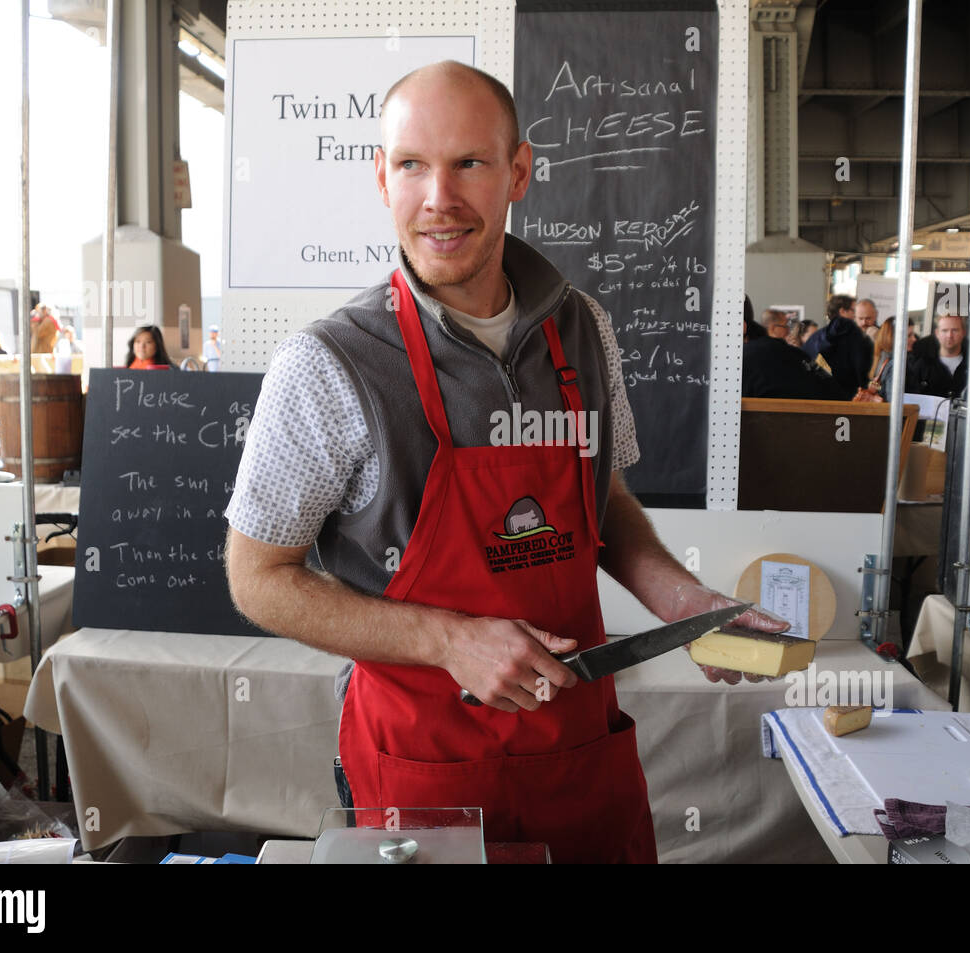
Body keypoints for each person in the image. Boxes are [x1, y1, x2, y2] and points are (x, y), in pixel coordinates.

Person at [222, 61, 788, 864]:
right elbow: (256, 577)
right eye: (413, 164)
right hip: (426, 771)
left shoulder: (583, 327)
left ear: (519, 170)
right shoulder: (326, 364)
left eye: (470, 163)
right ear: (381, 177)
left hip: (578, 754)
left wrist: (683, 599)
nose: (438, 198)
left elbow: (604, 499)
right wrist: (451, 640)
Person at [743, 309, 846, 400]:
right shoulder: (795, 354)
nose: (789, 331)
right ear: (774, 329)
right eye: (785, 327)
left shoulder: (745, 353)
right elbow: (830, 385)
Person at [802, 294, 872, 396]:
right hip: (850, 397)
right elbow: (862, 368)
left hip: (819, 395)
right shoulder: (855, 336)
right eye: (853, 311)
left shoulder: (816, 337)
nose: (856, 315)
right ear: (842, 311)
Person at [909, 312, 968, 398]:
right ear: (937, 333)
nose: (949, 335)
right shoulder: (922, 367)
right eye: (945, 330)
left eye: (955, 330)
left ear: (963, 332)